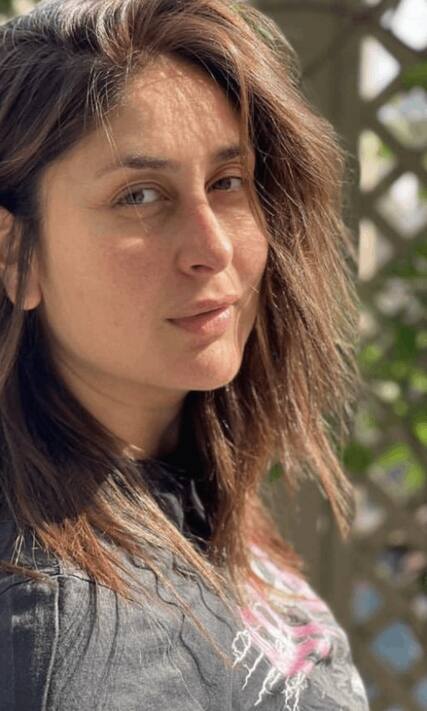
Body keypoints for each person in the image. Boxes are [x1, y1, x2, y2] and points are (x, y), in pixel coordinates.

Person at [0, 0, 369, 708]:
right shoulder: (67, 628)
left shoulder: (178, 485)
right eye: (139, 196)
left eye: (227, 182)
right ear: (15, 254)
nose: (213, 246)